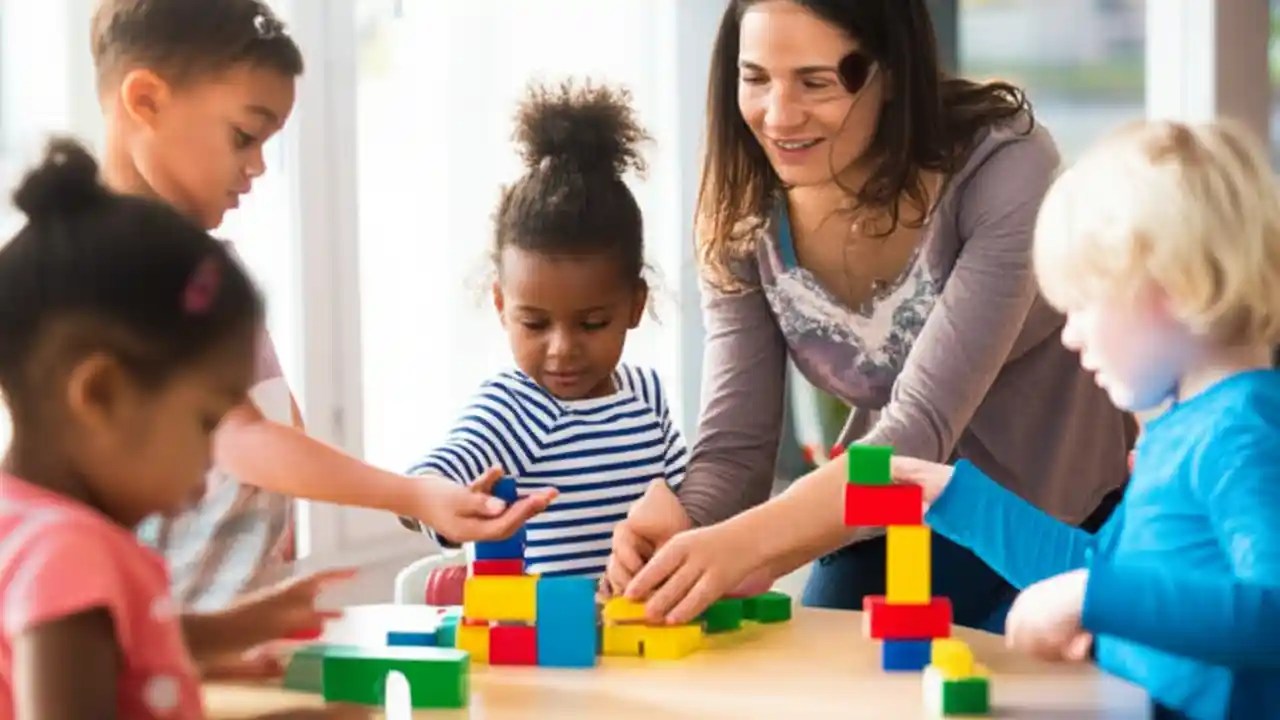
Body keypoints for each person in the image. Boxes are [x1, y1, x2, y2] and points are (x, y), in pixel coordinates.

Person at [608, 0, 1131, 632]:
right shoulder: (744, 214)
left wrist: (742, 546)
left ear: (890, 76)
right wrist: (685, 530)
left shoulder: (1004, 166)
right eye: (755, 78)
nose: (777, 115)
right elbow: (737, 448)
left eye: (815, 81)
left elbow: (918, 428)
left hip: (1061, 514)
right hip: (891, 513)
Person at [91, 0, 553, 611]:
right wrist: (412, 495)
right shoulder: (120, 272)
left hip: (228, 622)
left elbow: (278, 430)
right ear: (146, 100)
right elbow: (245, 441)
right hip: (166, 640)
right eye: (243, 136)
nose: (256, 166)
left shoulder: (199, 268)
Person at [895, 120, 1280, 720]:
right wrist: (952, 497)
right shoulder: (1188, 428)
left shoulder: (1240, 434)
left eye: (1081, 307)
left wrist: (1090, 597)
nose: (1071, 337)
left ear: (1171, 289)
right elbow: (1109, 575)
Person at [0, 140, 364, 720]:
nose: (209, 471)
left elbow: (109, 646)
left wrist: (232, 629)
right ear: (102, 395)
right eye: (203, 424)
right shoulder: (71, 552)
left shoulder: (25, 523)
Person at [402, 81, 687, 579]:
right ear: (500, 304)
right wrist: (439, 502)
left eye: (593, 323)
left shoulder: (647, 396)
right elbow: (430, 480)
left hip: (643, 641)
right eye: (534, 323)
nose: (562, 349)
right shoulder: (513, 407)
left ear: (635, 305)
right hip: (547, 649)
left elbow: (689, 506)